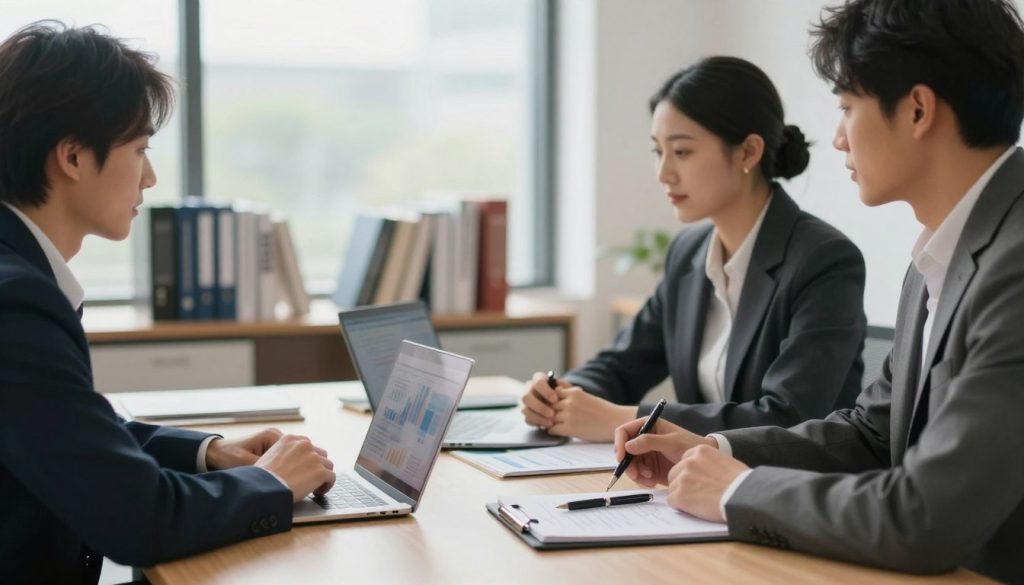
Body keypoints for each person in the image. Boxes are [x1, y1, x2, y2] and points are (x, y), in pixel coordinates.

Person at [613, 0, 1024, 581]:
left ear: (917, 110)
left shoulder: (1015, 264)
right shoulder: (939, 255)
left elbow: (925, 518)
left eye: (847, 107)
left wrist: (739, 490)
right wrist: (718, 452)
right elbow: (870, 433)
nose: (836, 139)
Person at [0, 22, 336, 584]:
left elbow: (66, 435)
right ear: (73, 157)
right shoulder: (16, 301)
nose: (150, 176)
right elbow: (138, 520)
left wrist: (209, 453)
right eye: (139, 149)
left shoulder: (21, 275)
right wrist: (272, 483)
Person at [522, 56, 867, 442]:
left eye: (682, 152)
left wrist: (627, 419)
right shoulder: (689, 253)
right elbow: (621, 366)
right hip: (697, 488)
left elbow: (789, 416)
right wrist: (559, 396)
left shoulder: (823, 260)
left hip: (792, 490)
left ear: (748, 153)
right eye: (658, 152)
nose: (664, 173)